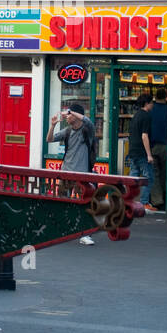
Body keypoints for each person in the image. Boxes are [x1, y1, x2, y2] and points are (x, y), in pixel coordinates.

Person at [47, 103, 99, 245]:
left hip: (82, 175)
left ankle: (84, 234)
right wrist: (52, 125)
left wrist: (71, 111)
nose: (66, 117)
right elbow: (49, 139)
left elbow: (87, 120)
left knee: (83, 205)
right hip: (66, 172)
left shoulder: (87, 130)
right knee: (63, 202)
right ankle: (63, 231)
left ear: (76, 115)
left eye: (69, 115)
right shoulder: (68, 131)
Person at [127, 94, 156, 212]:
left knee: (133, 176)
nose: (153, 105)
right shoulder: (146, 116)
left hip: (133, 150)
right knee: (148, 177)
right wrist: (149, 154)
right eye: (151, 102)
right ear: (147, 103)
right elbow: (145, 136)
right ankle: (144, 202)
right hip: (141, 152)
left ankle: (129, 200)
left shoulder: (136, 116)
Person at [148, 88, 167, 208]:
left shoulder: (151, 110)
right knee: (165, 173)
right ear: (166, 96)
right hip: (166, 146)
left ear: (155, 97)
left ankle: (157, 199)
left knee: (154, 174)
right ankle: (166, 198)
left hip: (152, 146)